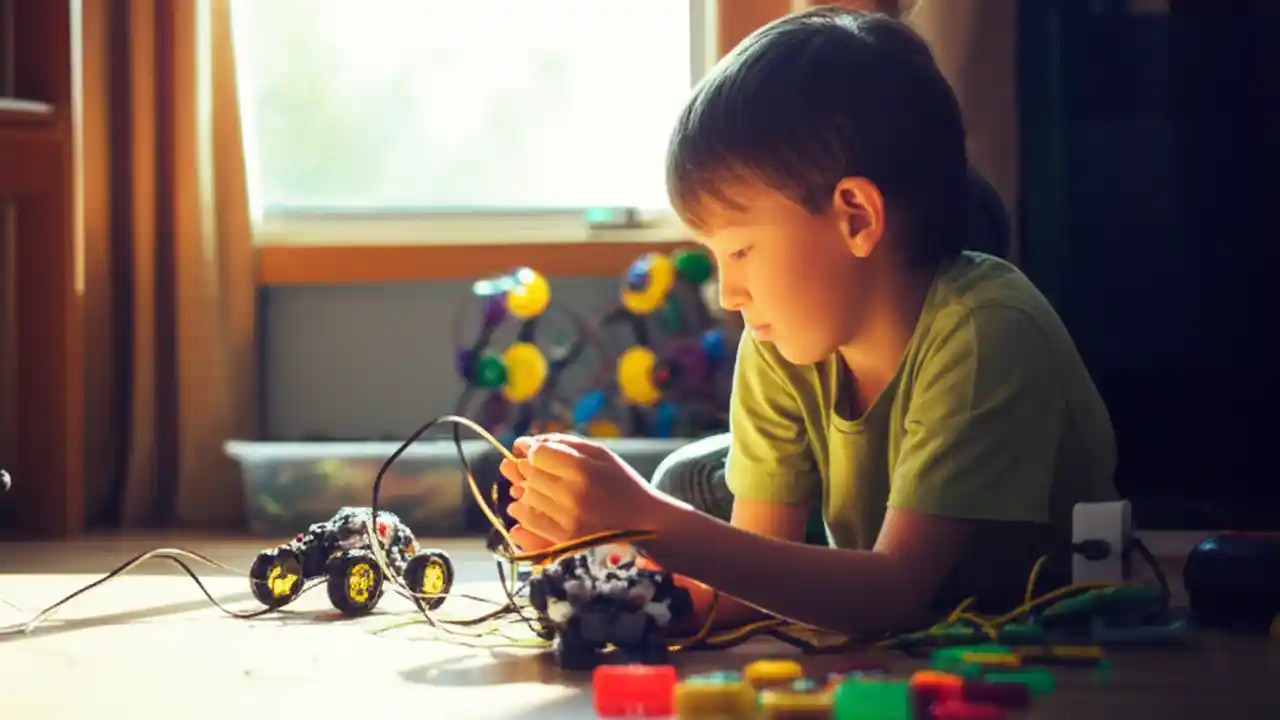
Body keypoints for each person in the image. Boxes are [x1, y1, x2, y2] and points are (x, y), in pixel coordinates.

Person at [499, 7, 1119, 637]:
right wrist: (633, 595)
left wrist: (649, 521)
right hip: (860, 561)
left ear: (855, 217)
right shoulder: (779, 344)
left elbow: (891, 595)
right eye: (715, 258)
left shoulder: (985, 330)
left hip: (976, 588)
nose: (728, 293)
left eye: (741, 251)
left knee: (674, 497)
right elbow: (744, 590)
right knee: (684, 480)